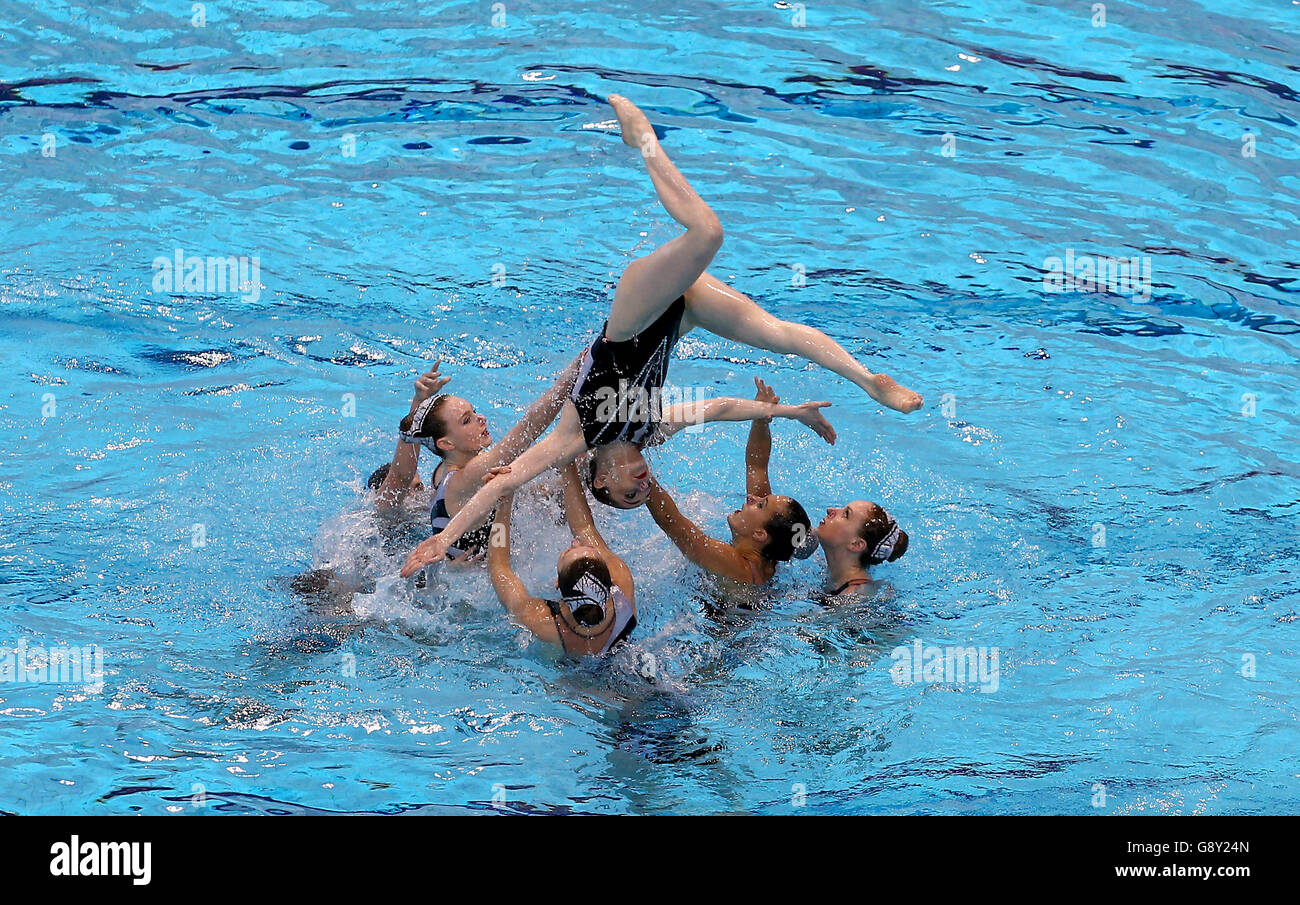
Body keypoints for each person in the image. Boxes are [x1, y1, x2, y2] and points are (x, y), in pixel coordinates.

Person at [400, 94, 919, 576]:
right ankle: (866, 380)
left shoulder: (575, 437)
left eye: (627, 492)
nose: (641, 486)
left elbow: (507, 480)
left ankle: (644, 142)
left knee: (707, 235)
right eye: (638, 495)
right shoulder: (649, 432)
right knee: (776, 334)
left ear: (602, 480)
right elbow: (715, 409)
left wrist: (445, 542)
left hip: (630, 322)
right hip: (677, 323)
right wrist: (786, 412)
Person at [391, 354, 582, 562]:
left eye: (475, 412)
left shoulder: (442, 471)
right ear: (446, 444)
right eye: (467, 420)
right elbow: (527, 430)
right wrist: (570, 379)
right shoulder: (466, 476)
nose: (481, 419)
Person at [646, 378, 816, 585]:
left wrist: (638, 470)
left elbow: (672, 522)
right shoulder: (770, 552)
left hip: (723, 616)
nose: (752, 497)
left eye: (761, 504)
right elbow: (757, 465)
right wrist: (760, 417)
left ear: (760, 534)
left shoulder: (737, 566)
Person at [487, 462, 637, 657]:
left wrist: (503, 504)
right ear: (610, 579)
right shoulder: (622, 585)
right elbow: (584, 528)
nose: (575, 542)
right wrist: (568, 463)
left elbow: (499, 568)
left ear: (557, 584)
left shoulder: (542, 621)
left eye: (567, 552)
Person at [817, 500, 909, 597]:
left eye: (846, 514)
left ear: (856, 544)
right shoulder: (827, 566)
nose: (830, 510)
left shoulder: (855, 597)